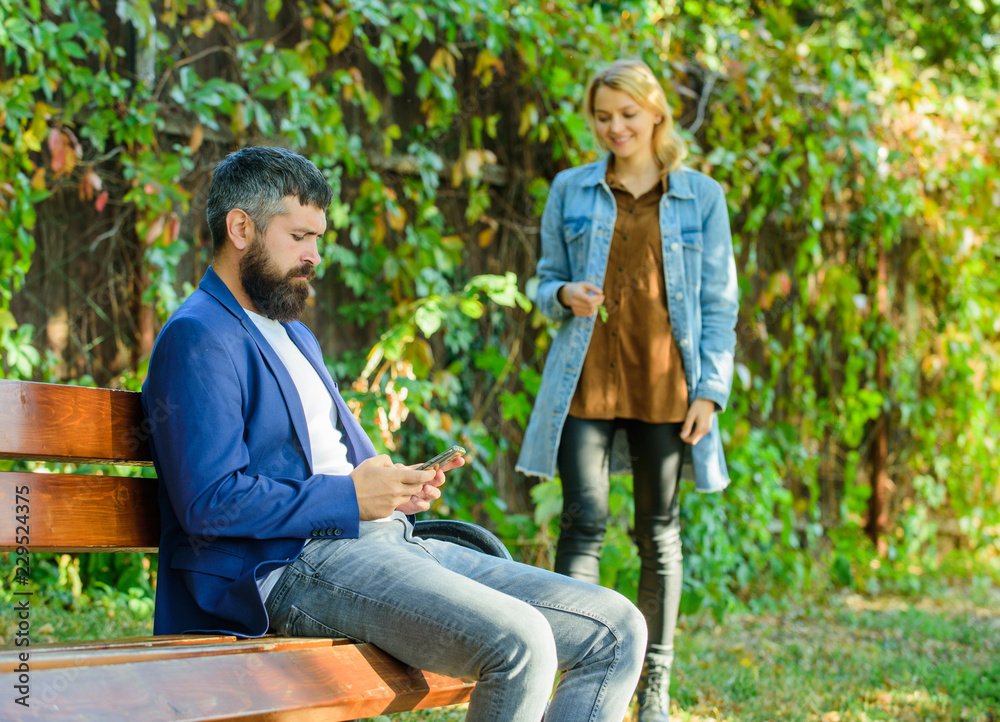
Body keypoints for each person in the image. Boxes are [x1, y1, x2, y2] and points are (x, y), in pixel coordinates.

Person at [141, 145, 647, 722]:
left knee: (617, 627)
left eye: (318, 239)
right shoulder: (198, 335)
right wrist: (351, 498)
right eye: (300, 236)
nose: (315, 256)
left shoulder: (292, 333)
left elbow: (338, 462)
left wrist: (396, 487)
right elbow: (209, 502)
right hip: (288, 567)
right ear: (240, 228)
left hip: (386, 543)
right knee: (521, 641)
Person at [516, 59, 739, 722]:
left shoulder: (701, 196)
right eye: (604, 116)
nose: (616, 127)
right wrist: (561, 294)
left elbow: (719, 304)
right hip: (583, 384)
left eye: (628, 115)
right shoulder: (571, 190)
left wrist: (710, 391)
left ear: (656, 113)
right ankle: (577, 676)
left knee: (658, 532)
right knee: (581, 525)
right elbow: (541, 283)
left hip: (668, 386)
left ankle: (655, 686)